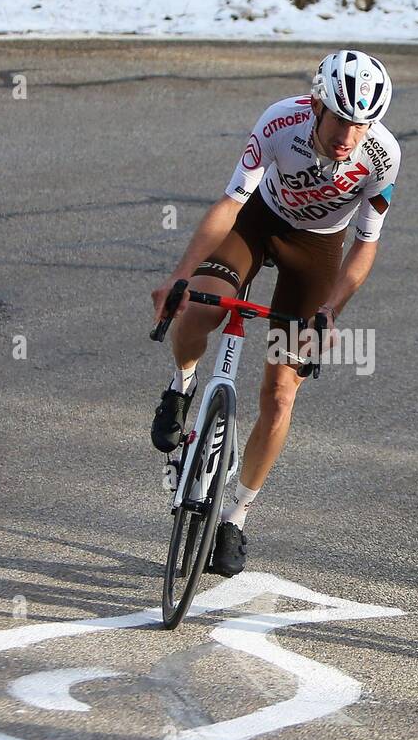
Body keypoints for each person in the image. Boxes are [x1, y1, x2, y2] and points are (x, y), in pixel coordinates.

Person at [149, 50, 401, 574]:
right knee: (199, 305)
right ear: (316, 105)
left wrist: (331, 309)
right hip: (258, 222)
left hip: (318, 249)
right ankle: (182, 383)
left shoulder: (382, 157)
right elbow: (230, 203)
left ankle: (236, 517)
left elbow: (365, 245)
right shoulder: (279, 121)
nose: (349, 137)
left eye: (362, 125)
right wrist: (180, 273)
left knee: (281, 393)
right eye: (340, 120)